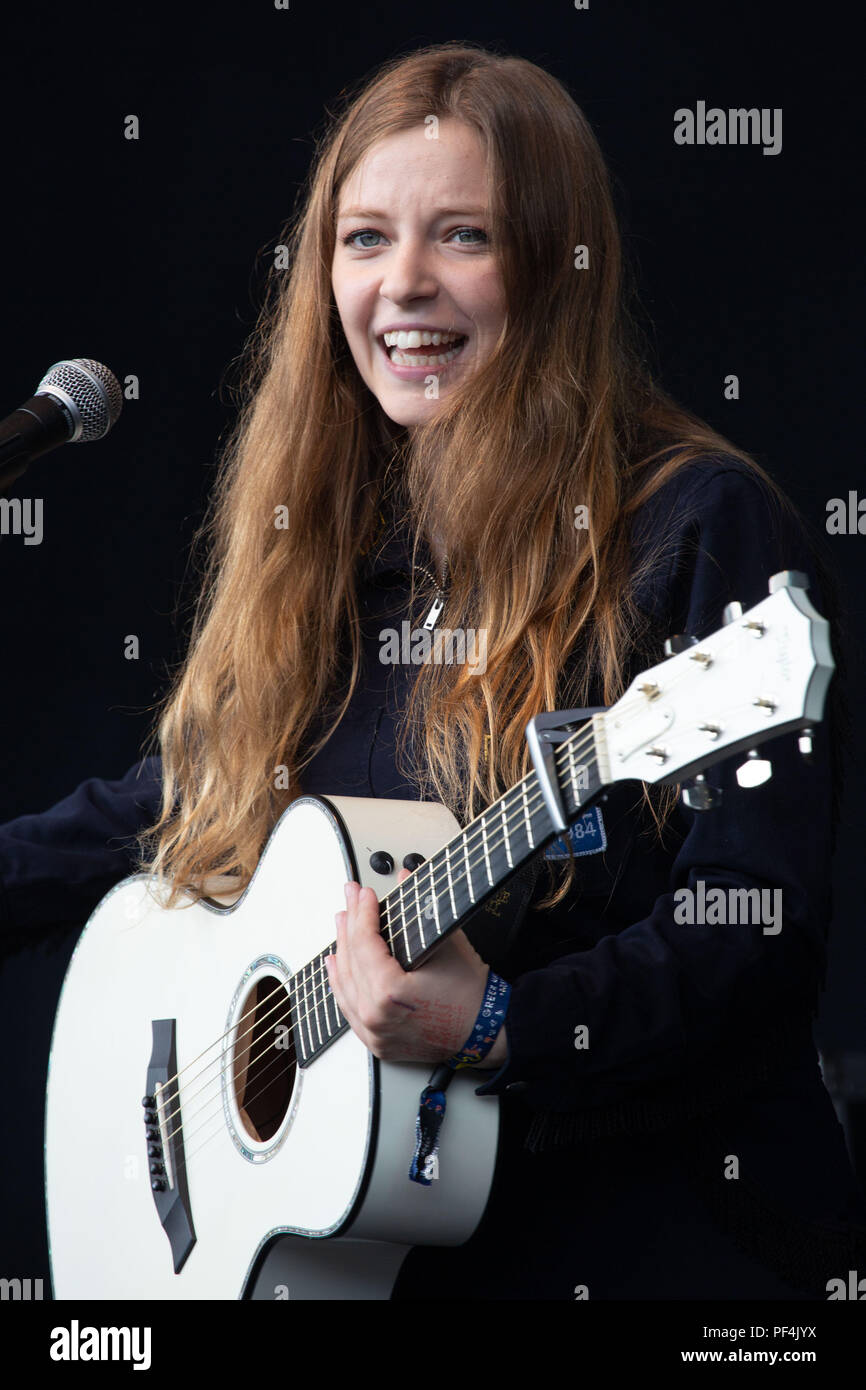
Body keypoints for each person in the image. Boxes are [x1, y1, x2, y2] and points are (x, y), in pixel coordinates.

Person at [3, 41, 865, 1300]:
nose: (402, 283)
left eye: (461, 234)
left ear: (554, 266)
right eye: (363, 239)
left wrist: (501, 1022)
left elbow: (755, 936)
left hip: (665, 1251)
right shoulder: (335, 554)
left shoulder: (691, 528)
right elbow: (174, 802)